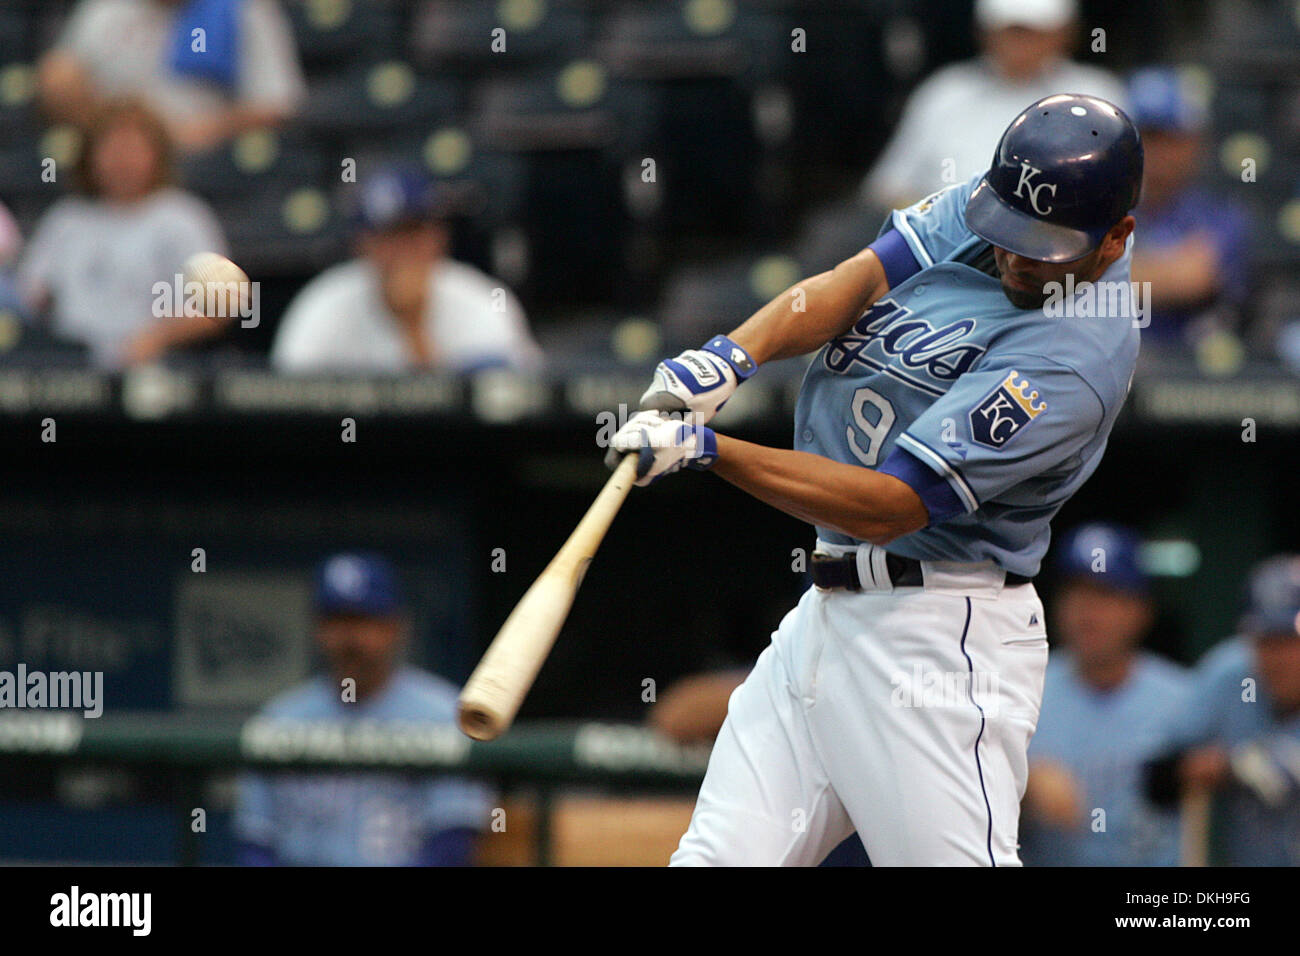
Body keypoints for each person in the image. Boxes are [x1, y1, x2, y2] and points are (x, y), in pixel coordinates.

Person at [604, 93, 1144, 866]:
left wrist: (709, 450)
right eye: (1007, 231)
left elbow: (892, 506)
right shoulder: (1014, 203)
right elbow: (856, 280)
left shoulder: (1077, 355)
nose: (1015, 256)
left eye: (1043, 246)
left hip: (937, 637)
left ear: (1115, 236)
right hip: (826, 613)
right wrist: (727, 359)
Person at [234, 552, 494, 866]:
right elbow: (255, 844)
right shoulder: (279, 719)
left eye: (364, 621)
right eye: (337, 621)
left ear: (396, 627)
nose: (350, 639)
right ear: (317, 629)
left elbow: (451, 844)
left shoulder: (446, 715)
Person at [1018, 523, 1190, 866]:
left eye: (1105, 594)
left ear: (1141, 609)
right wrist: (1020, 784)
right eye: (1075, 593)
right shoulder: (1022, 690)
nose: (1087, 611)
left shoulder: (1185, 699)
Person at [16, 98, 231, 367]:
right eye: (111, 149)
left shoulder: (182, 216)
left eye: (133, 149)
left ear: (156, 154)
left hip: (158, 364)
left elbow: (219, 304)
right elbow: (31, 292)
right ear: (90, 156)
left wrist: (157, 338)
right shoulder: (66, 218)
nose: (122, 161)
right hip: (69, 361)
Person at [271, 166, 542, 375]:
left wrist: (414, 329)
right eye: (389, 236)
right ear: (362, 245)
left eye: (413, 233)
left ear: (439, 237)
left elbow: (506, 407)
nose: (403, 250)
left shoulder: (482, 299)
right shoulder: (323, 302)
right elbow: (287, 404)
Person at [861, 0, 1125, 211]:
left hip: (1063, 247)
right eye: (1011, 31)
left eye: (1032, 32)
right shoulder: (944, 92)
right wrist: (937, 225)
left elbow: (1123, 190)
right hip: (945, 247)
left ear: (1065, 33)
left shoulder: (1097, 95)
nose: (1020, 44)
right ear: (984, 32)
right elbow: (888, 188)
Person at [1162, 555, 1300, 865]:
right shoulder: (1230, 674)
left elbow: (1280, 777)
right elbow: (1158, 774)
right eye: (1267, 640)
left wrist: (1234, 765)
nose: (1280, 657)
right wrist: (1187, 767)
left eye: (1291, 640)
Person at [37, 0, 306, 154]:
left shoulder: (242, 8)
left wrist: (204, 131)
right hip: (115, 156)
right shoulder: (107, 8)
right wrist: (117, 136)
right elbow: (60, 77)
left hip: (206, 158)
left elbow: (277, 105)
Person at [1125, 66, 1252, 348]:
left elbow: (1190, 279)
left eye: (1171, 139)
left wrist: (1097, 272)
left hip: (1186, 360)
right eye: (1148, 136)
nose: (1158, 152)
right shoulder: (1099, 206)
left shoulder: (1220, 213)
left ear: (1195, 143)